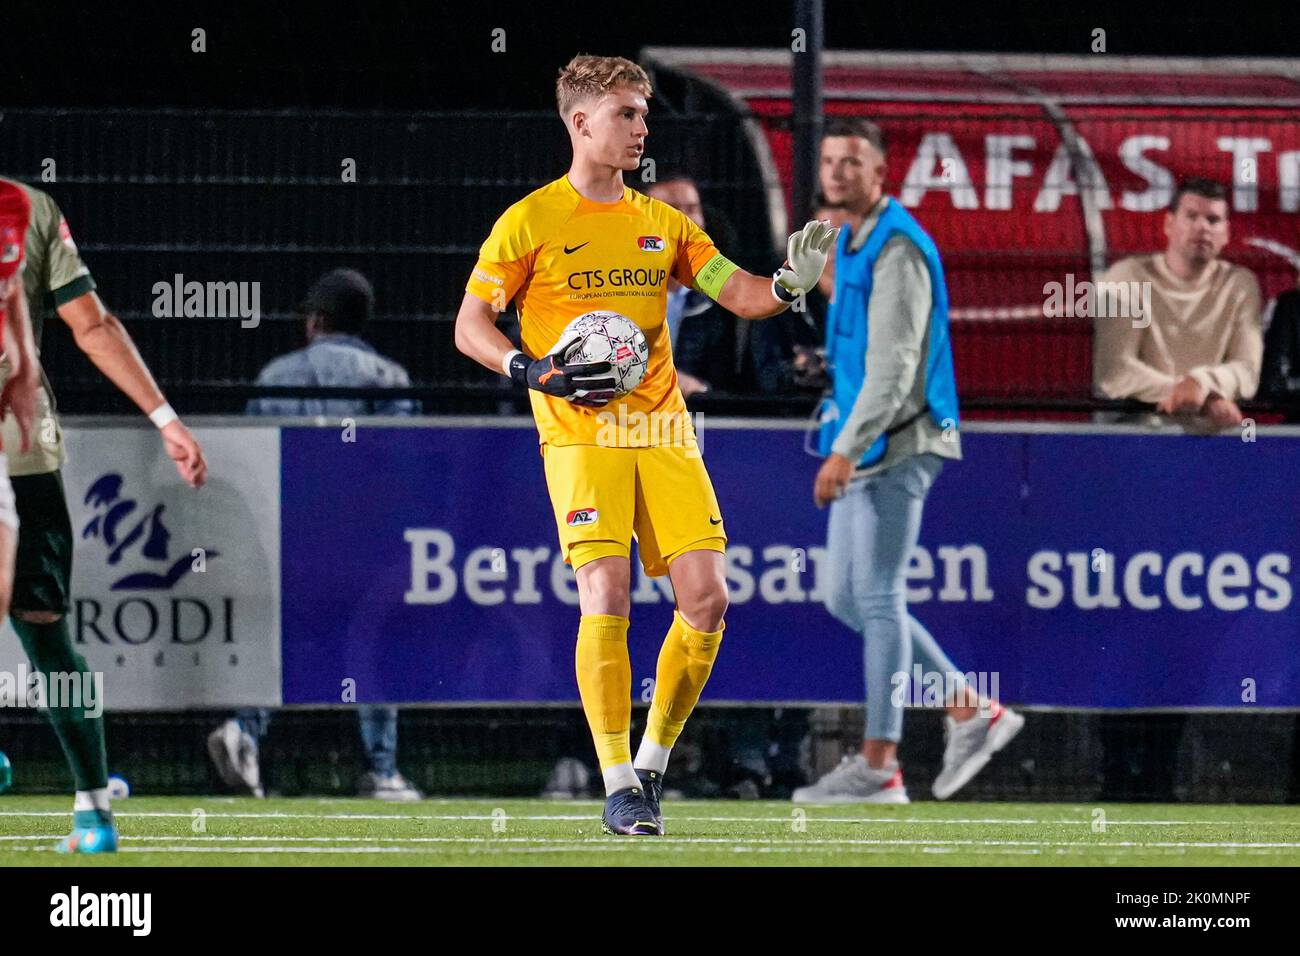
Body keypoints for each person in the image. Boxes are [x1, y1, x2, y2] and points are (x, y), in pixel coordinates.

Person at [454, 53, 834, 834]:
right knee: (609, 595)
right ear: (580, 122)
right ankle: (617, 778)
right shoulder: (529, 221)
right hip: (582, 439)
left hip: (664, 433)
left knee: (708, 599)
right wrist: (532, 369)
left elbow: (740, 293)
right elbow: (470, 327)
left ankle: (652, 765)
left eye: (644, 113)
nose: (641, 126)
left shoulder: (662, 224)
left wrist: (791, 283)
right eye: (627, 113)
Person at [796, 118, 1023, 804]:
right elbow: (867, 352)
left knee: (879, 598)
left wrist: (839, 450)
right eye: (830, 160)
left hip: (899, 442)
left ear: (881, 173)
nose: (837, 172)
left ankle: (879, 763)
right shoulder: (855, 243)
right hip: (866, 441)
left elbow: (895, 372)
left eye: (852, 162)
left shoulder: (898, 248)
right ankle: (968, 708)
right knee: (847, 597)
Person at [0, 176, 209, 853]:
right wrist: (164, 417)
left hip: (19, 449)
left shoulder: (28, 210)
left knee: (42, 629)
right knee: (45, 632)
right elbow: (91, 323)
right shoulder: (28, 209)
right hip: (23, 449)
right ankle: (93, 811)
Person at [208, 268, 422, 801]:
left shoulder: (277, 373)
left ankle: (245, 731)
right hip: (366, 536)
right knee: (370, 646)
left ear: (315, 320)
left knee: (286, 643)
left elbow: (250, 460)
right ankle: (382, 769)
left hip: (292, 530)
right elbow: (405, 464)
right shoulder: (387, 376)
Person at [1093, 178, 1262, 431]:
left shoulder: (1240, 284)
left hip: (1213, 434)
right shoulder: (1126, 276)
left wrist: (1200, 383)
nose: (1202, 227)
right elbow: (1114, 370)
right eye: (1191, 216)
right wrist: (1195, 395)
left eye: (1213, 220)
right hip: (1141, 429)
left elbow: (1248, 369)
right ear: (1169, 224)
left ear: (1226, 233)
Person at [646, 175, 738, 397]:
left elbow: (738, 385)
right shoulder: (614, 292)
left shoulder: (725, 301)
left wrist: (701, 390)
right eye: (671, 210)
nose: (686, 220)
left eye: (692, 209)